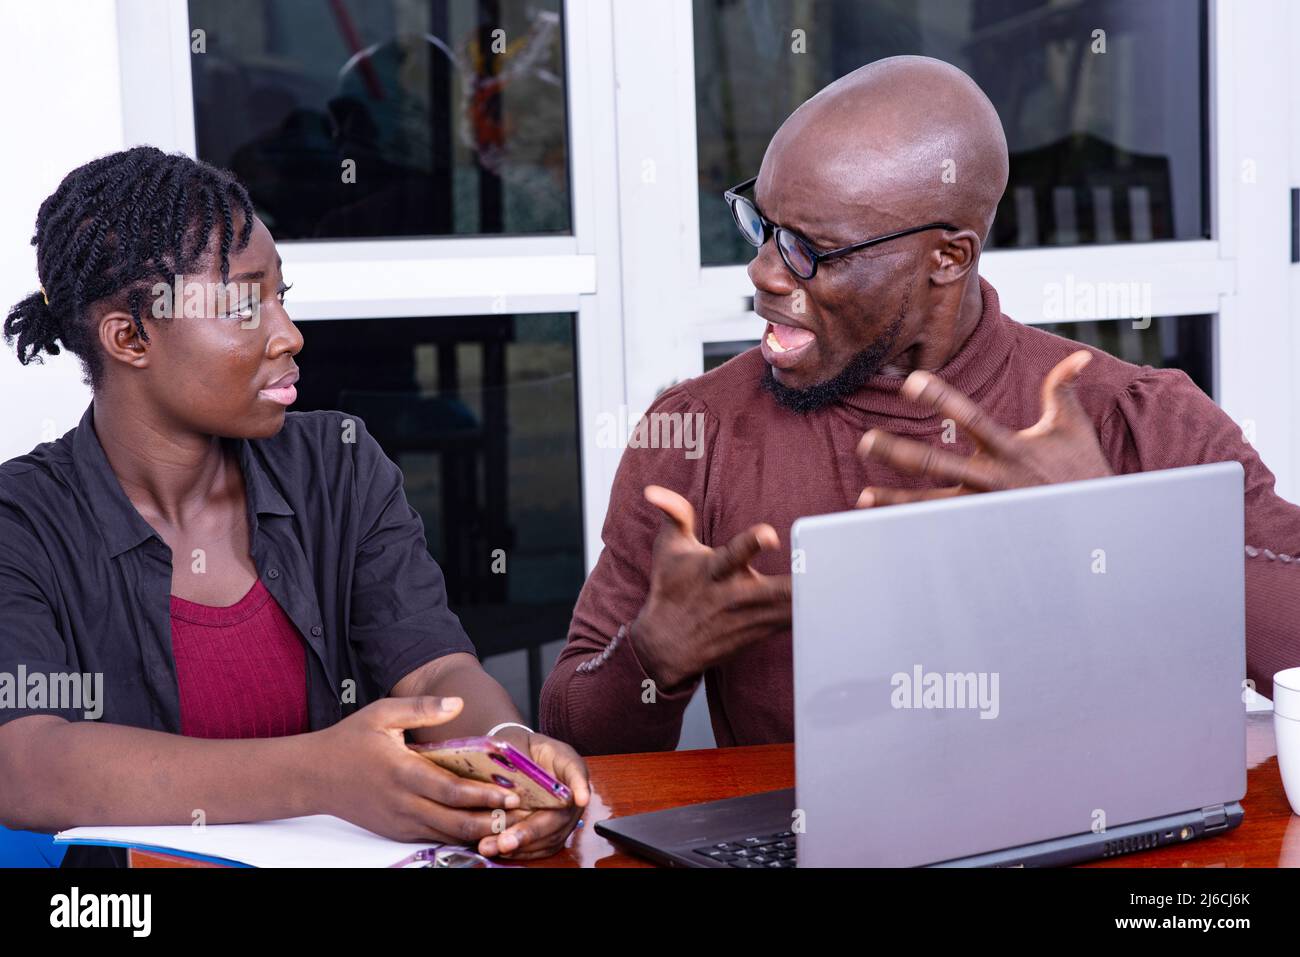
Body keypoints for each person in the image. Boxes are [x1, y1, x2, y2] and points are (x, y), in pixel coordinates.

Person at [540, 55, 1300, 754]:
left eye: (810, 248)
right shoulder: (696, 432)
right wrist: (653, 654)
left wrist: (1119, 535)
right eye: (763, 225)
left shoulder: (1130, 417)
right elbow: (575, 747)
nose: (765, 270)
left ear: (948, 257)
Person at [0, 146, 587, 865]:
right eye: (246, 304)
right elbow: (26, 762)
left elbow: (433, 670)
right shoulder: (22, 521)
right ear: (129, 337)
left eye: (282, 295)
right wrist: (323, 773)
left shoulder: (338, 463)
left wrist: (509, 758)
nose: (289, 333)